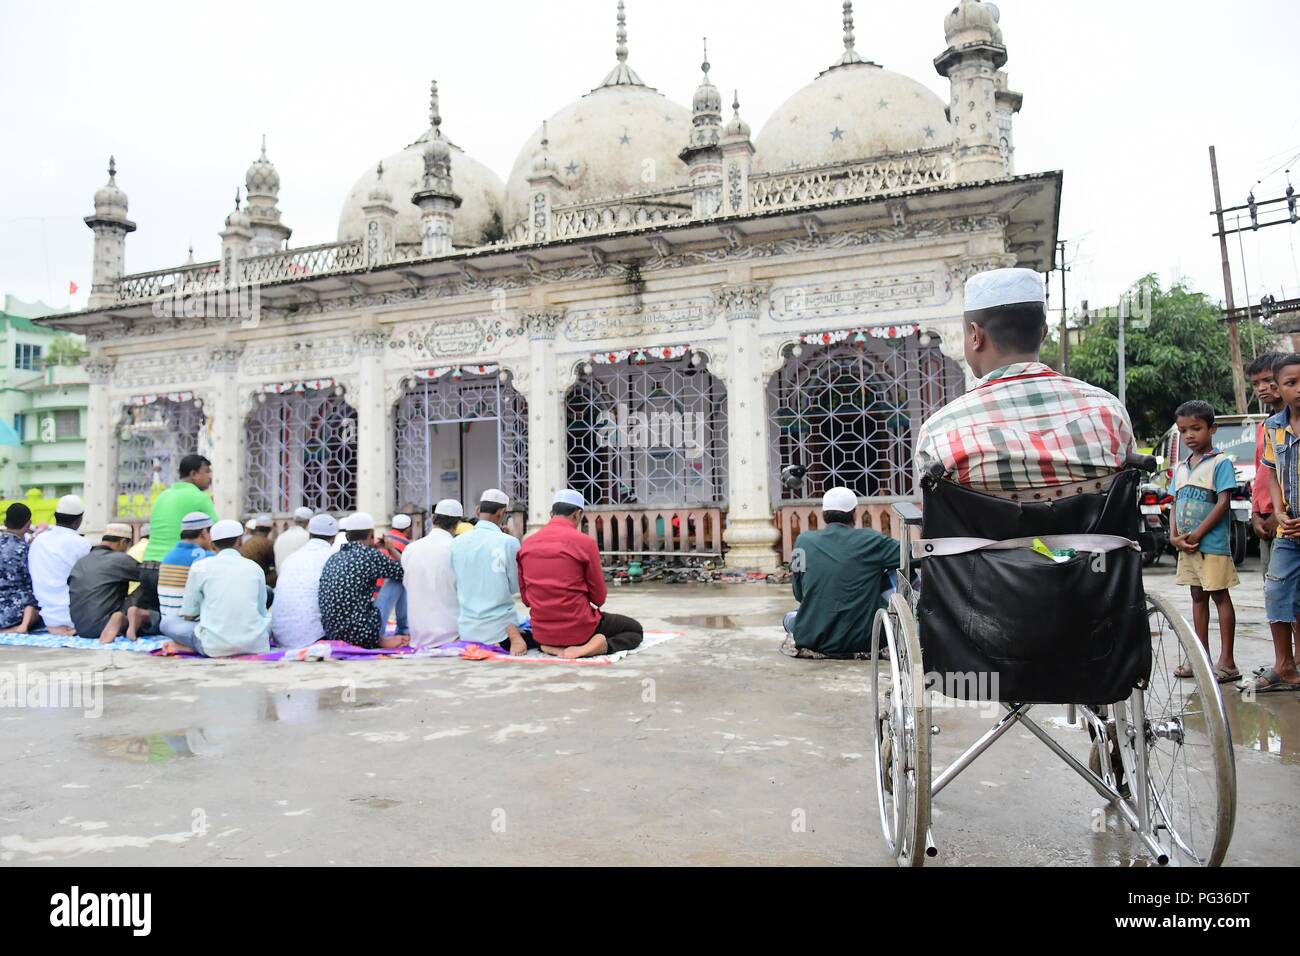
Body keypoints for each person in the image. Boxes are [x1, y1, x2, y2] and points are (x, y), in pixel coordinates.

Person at [915, 268, 1135, 490]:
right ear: (1043, 332)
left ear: (975, 335)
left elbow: (937, 518)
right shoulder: (1111, 414)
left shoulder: (939, 433)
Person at [517, 489, 643, 659]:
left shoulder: (527, 544)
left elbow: (526, 599)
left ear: (551, 513)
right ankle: (592, 647)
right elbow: (599, 598)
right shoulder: (585, 543)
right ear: (577, 515)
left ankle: (550, 647)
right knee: (634, 629)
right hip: (580, 631)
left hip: (542, 632)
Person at [781, 487, 901, 660]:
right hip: (865, 639)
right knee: (894, 571)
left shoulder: (803, 541)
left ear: (823, 515)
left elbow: (799, 594)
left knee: (789, 619)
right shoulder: (872, 540)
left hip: (814, 637)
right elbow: (913, 555)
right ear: (854, 514)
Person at [1168, 401, 1240, 683]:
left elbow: (1223, 503)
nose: (1189, 435)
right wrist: (1174, 536)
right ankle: (1201, 657)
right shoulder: (1181, 468)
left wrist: (1198, 534)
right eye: (1183, 430)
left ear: (1213, 429)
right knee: (1197, 596)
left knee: (1220, 596)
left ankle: (1228, 662)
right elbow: (1174, 503)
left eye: (1196, 428)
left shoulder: (1220, 463)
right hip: (1186, 546)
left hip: (1211, 545)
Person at [1252, 353, 1300, 693]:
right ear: (1279, 388)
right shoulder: (1273, 427)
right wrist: (1279, 510)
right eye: (1291, 383)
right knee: (1278, 592)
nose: (1298, 389)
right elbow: (1272, 474)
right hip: (1288, 529)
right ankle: (1284, 663)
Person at [159, 519, 271, 658]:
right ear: (240, 541)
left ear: (212, 545)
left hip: (214, 647)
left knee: (167, 622)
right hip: (255, 644)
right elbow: (261, 612)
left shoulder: (200, 567)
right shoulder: (255, 568)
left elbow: (189, 613)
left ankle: (188, 646)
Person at [139, 454, 217, 613]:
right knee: (184, 615)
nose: (210, 476)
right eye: (207, 471)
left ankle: (140, 616)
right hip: (175, 570)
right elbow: (217, 533)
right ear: (194, 474)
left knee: (158, 616)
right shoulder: (200, 498)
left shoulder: (163, 496)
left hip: (146, 565)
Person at [449, 490, 525, 654]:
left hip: (467, 629)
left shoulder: (456, 543)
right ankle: (516, 637)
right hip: (500, 630)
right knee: (539, 634)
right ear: (502, 513)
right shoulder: (509, 542)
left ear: (478, 511)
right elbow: (515, 588)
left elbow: (453, 583)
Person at [318, 513, 408, 649]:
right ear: (371, 535)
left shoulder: (334, 557)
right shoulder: (371, 556)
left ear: (347, 536)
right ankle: (404, 631)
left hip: (333, 634)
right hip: (363, 634)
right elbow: (407, 571)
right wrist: (390, 548)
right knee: (398, 579)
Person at [68, 523, 158, 642]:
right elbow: (148, 576)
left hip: (81, 628)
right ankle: (133, 618)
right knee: (147, 582)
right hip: (104, 623)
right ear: (122, 542)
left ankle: (121, 620)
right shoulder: (119, 559)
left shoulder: (82, 562)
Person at [270, 513, 338, 649]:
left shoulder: (291, 558)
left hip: (280, 636)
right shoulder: (333, 557)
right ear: (334, 538)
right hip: (313, 638)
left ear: (309, 534)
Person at [401, 500, 462, 647]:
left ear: (433, 519)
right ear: (457, 524)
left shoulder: (410, 549)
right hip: (452, 636)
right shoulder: (457, 549)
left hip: (418, 637)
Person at [27, 495, 91, 635]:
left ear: (55, 516)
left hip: (47, 618)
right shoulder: (81, 544)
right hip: (75, 617)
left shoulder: (39, 540)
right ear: (79, 520)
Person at [1248, 352, 1285, 579]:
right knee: (1271, 586)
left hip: (1287, 517)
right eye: (1255, 383)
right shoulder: (1264, 425)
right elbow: (1261, 473)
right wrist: (1255, 513)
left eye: (1268, 380)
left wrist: (1277, 514)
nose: (1262, 388)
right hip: (1264, 517)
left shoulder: (1292, 424)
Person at [157, 512, 215, 620]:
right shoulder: (207, 558)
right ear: (204, 533)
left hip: (166, 623)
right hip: (189, 625)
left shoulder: (168, 556)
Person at [0, 502, 40, 633]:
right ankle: (17, 628)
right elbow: (30, 583)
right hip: (14, 611)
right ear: (28, 524)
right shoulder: (25, 549)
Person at [240, 514, 277, 587]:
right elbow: (274, 562)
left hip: (244, 577)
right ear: (270, 529)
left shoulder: (246, 541)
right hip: (257, 579)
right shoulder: (268, 543)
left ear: (256, 528)